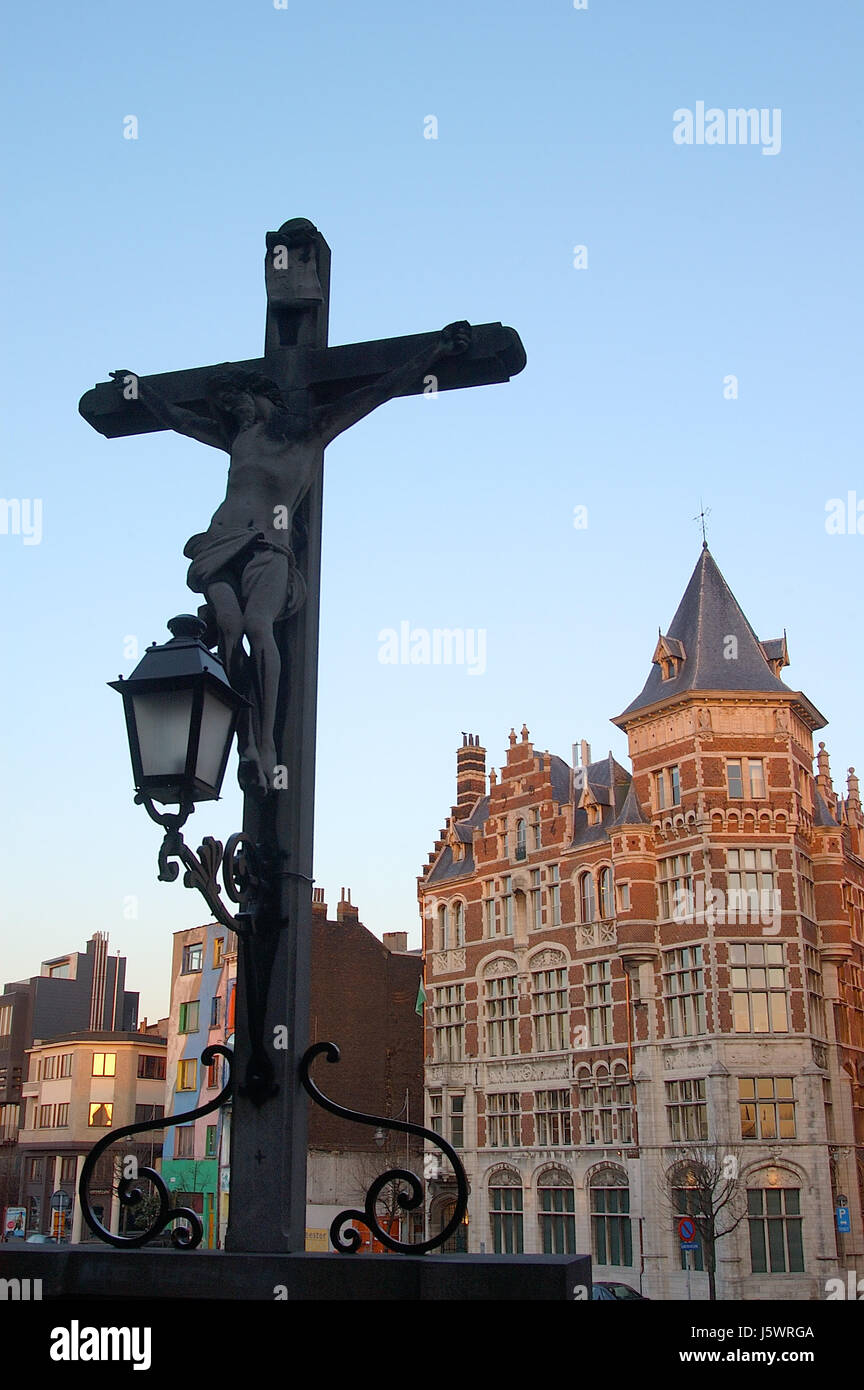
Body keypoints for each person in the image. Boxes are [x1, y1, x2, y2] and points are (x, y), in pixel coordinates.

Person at [110, 320, 471, 793]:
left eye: (237, 401)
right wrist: (141, 393)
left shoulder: (309, 433)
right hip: (220, 543)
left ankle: (265, 744)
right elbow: (181, 421)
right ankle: (247, 747)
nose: (232, 411)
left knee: (258, 628)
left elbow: (378, 390)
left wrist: (435, 351)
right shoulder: (238, 437)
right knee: (230, 632)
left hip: (269, 547)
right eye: (226, 408)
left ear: (261, 395)